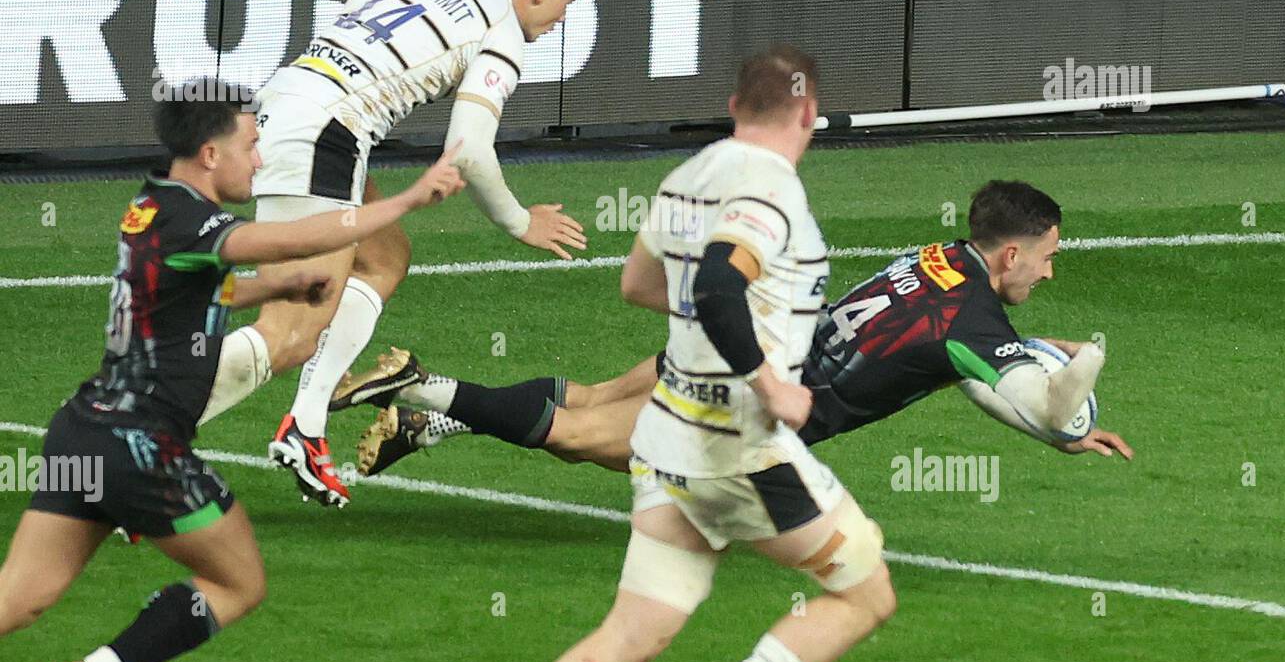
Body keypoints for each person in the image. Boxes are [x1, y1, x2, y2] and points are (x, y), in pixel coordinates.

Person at [0, 93, 463, 662]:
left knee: (21, 597)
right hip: (142, 447)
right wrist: (405, 201)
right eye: (251, 145)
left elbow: (181, 295)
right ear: (211, 153)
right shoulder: (195, 221)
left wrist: (281, 286)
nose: (261, 158)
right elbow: (295, 235)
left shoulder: (150, 206)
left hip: (83, 430)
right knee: (237, 584)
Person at [165, 0, 593, 506]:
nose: (561, 20)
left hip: (285, 106)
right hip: (326, 135)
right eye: (566, 3)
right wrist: (520, 222)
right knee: (289, 333)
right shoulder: (502, 35)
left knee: (385, 254)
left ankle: (306, 425)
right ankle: (144, 443)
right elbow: (468, 149)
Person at [522, 45, 896, 662]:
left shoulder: (688, 174)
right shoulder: (773, 187)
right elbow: (722, 283)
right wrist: (770, 381)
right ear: (809, 110)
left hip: (668, 445)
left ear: (733, 108)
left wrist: (730, 309)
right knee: (866, 594)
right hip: (742, 447)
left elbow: (638, 284)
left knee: (625, 639)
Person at [340, 180, 1132, 477]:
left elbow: (960, 345)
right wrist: (1063, 423)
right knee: (580, 439)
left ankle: (432, 419)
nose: (1050, 271)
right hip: (750, 403)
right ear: (1014, 251)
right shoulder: (973, 322)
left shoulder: (938, 259)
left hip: (747, 344)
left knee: (584, 399)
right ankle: (423, 381)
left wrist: (1031, 346)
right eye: (1049, 258)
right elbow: (1029, 398)